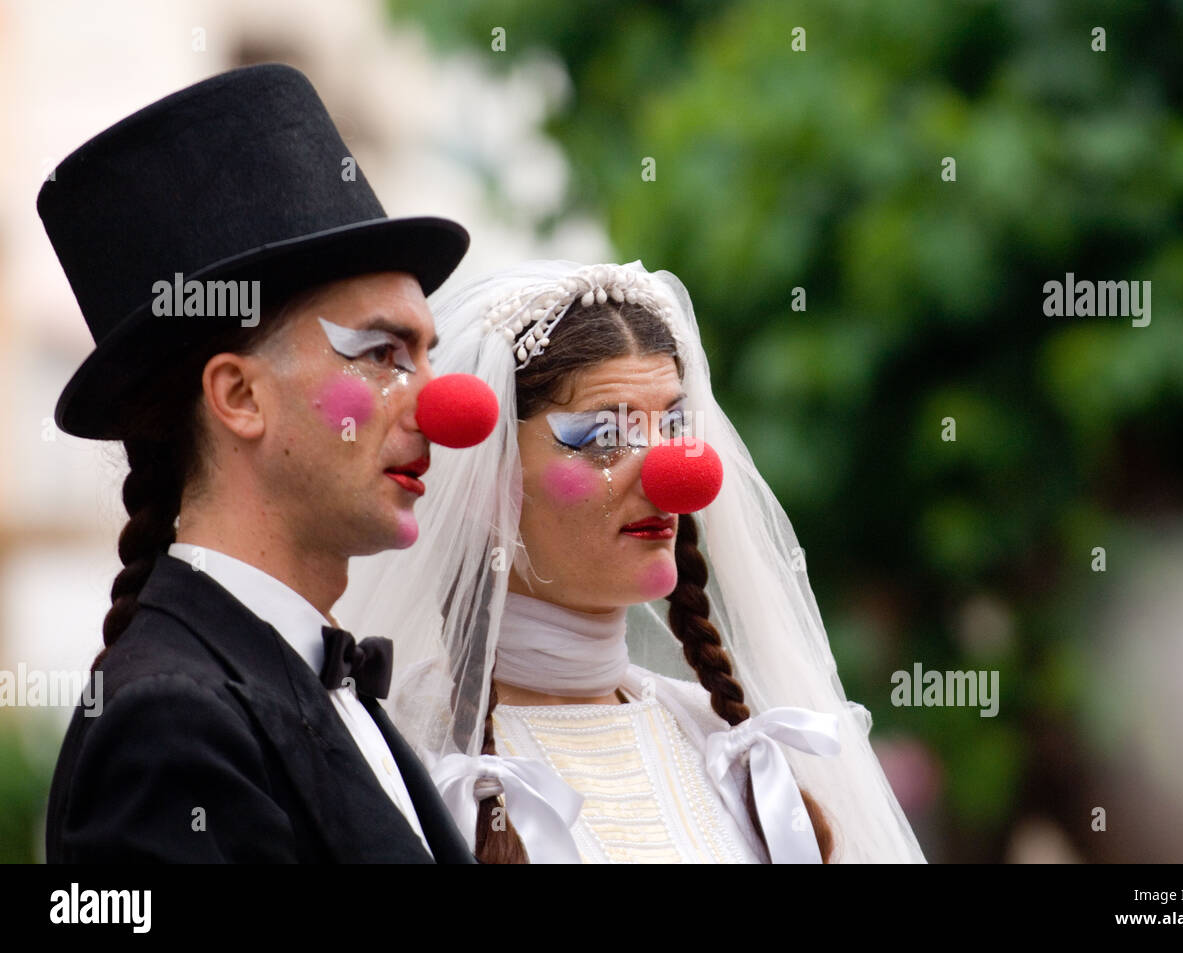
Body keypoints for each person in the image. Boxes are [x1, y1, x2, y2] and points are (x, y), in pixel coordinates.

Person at [336, 260, 927, 863]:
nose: (673, 478)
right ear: (487, 477)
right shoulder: (401, 753)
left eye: (674, 425)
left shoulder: (729, 744)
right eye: (601, 435)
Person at [39, 63, 479, 863]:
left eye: (428, 355)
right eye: (382, 353)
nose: (439, 409)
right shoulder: (169, 724)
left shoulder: (322, 687)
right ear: (239, 396)